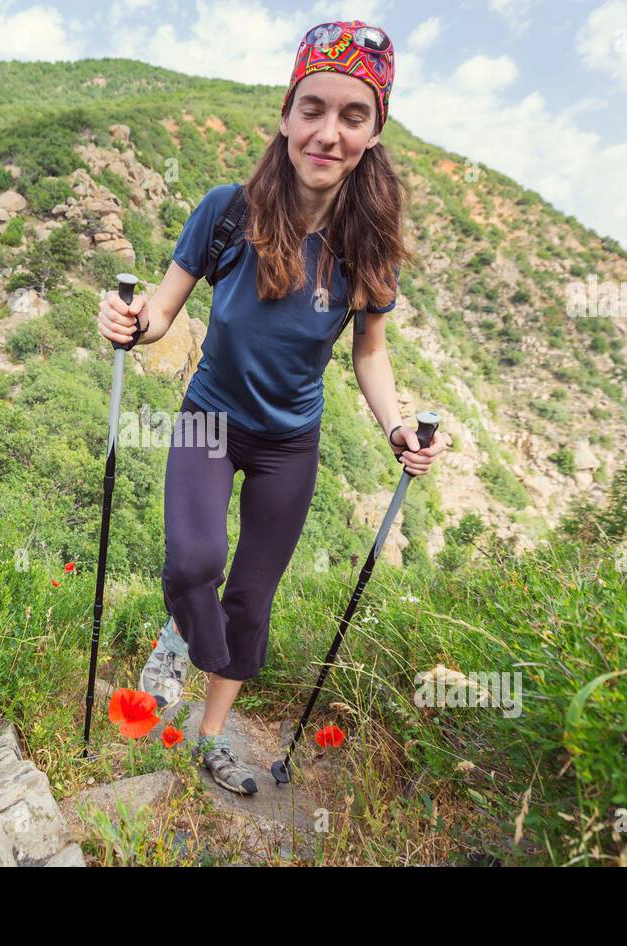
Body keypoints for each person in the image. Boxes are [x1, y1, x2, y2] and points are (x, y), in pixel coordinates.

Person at [95, 19, 446, 795]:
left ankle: (210, 736)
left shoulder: (369, 246)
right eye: (312, 108)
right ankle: (184, 645)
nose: (328, 132)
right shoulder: (228, 211)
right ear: (287, 114)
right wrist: (128, 323)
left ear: (374, 130)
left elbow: (370, 352)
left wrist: (395, 427)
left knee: (252, 596)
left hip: (292, 443)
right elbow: (161, 312)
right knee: (194, 565)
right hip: (210, 418)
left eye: (352, 116)